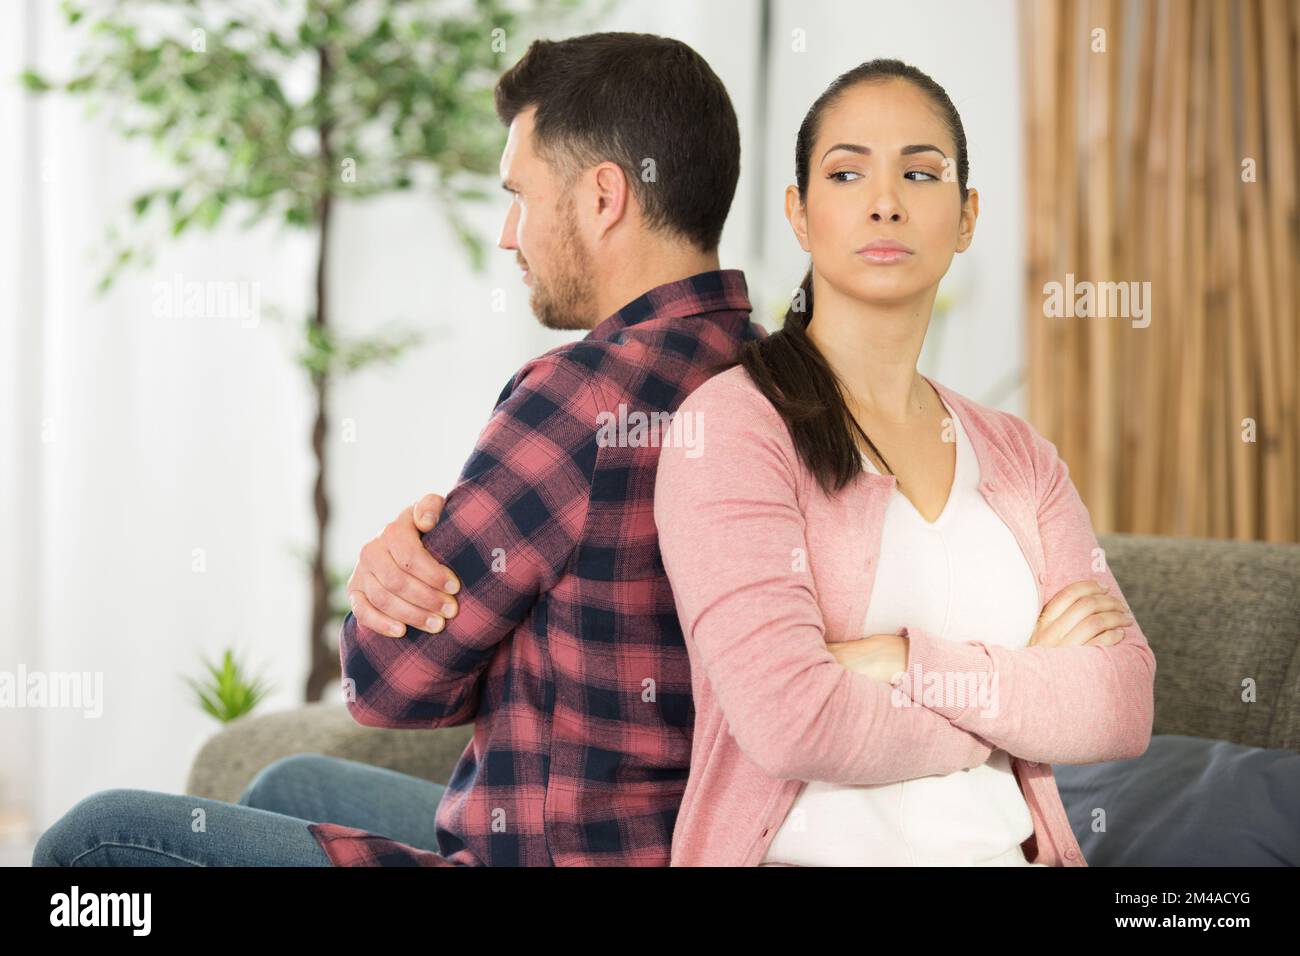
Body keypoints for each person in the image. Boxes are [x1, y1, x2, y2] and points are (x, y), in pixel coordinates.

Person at [32, 31, 763, 867]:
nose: (507, 234)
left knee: (91, 838)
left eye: (520, 194)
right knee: (292, 781)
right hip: (667, 837)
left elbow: (390, 687)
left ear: (603, 198)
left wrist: (392, 582)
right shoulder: (764, 368)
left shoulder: (582, 396)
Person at [652, 59, 1157, 867]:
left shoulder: (1020, 456)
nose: (885, 201)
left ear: (965, 218)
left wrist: (902, 661)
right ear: (801, 215)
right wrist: (1009, 704)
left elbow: (1123, 704)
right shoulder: (732, 429)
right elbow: (792, 721)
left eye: (921, 173)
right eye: (847, 173)